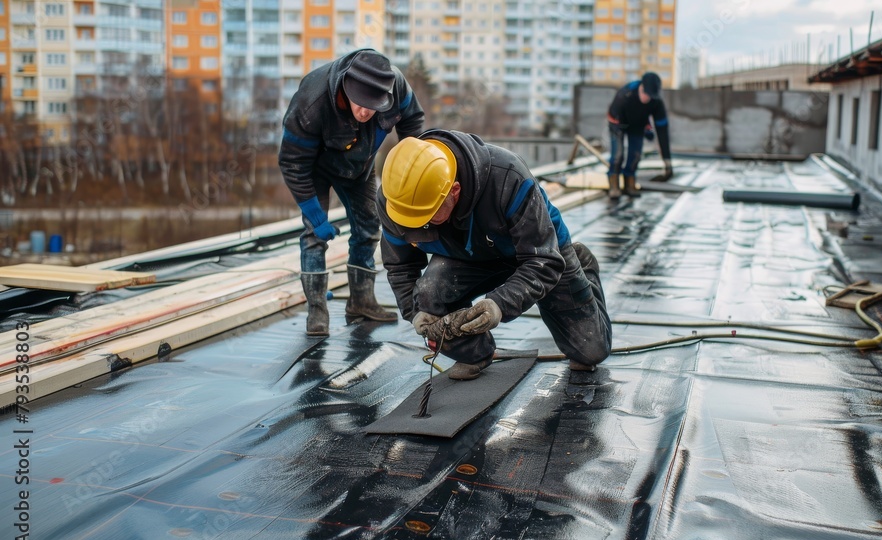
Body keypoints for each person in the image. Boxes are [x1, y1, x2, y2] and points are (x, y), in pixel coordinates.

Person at [376, 130, 613, 380]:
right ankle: (475, 353)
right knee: (427, 294)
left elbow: (543, 261)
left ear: (454, 191)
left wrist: (499, 305)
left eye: (429, 216)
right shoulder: (399, 202)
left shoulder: (507, 177)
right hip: (467, 257)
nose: (419, 224)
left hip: (539, 253)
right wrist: (414, 312)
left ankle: (580, 264)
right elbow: (400, 267)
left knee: (590, 352)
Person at [279, 48, 424, 336]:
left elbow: (413, 123)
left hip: (360, 166)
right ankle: (317, 312)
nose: (366, 112)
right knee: (314, 236)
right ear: (347, 86)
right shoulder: (311, 103)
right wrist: (316, 217)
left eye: (373, 106)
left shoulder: (395, 85)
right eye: (361, 104)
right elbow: (292, 163)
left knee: (369, 227)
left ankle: (361, 301)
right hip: (316, 169)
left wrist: (411, 166)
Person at [606, 71, 673, 199]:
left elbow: (662, 130)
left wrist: (667, 162)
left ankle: (629, 184)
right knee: (617, 155)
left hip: (638, 126)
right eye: (645, 93)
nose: (647, 98)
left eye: (650, 96)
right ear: (641, 87)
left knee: (635, 156)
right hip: (618, 123)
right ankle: (614, 185)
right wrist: (617, 130)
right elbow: (612, 115)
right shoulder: (625, 94)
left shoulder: (656, 102)